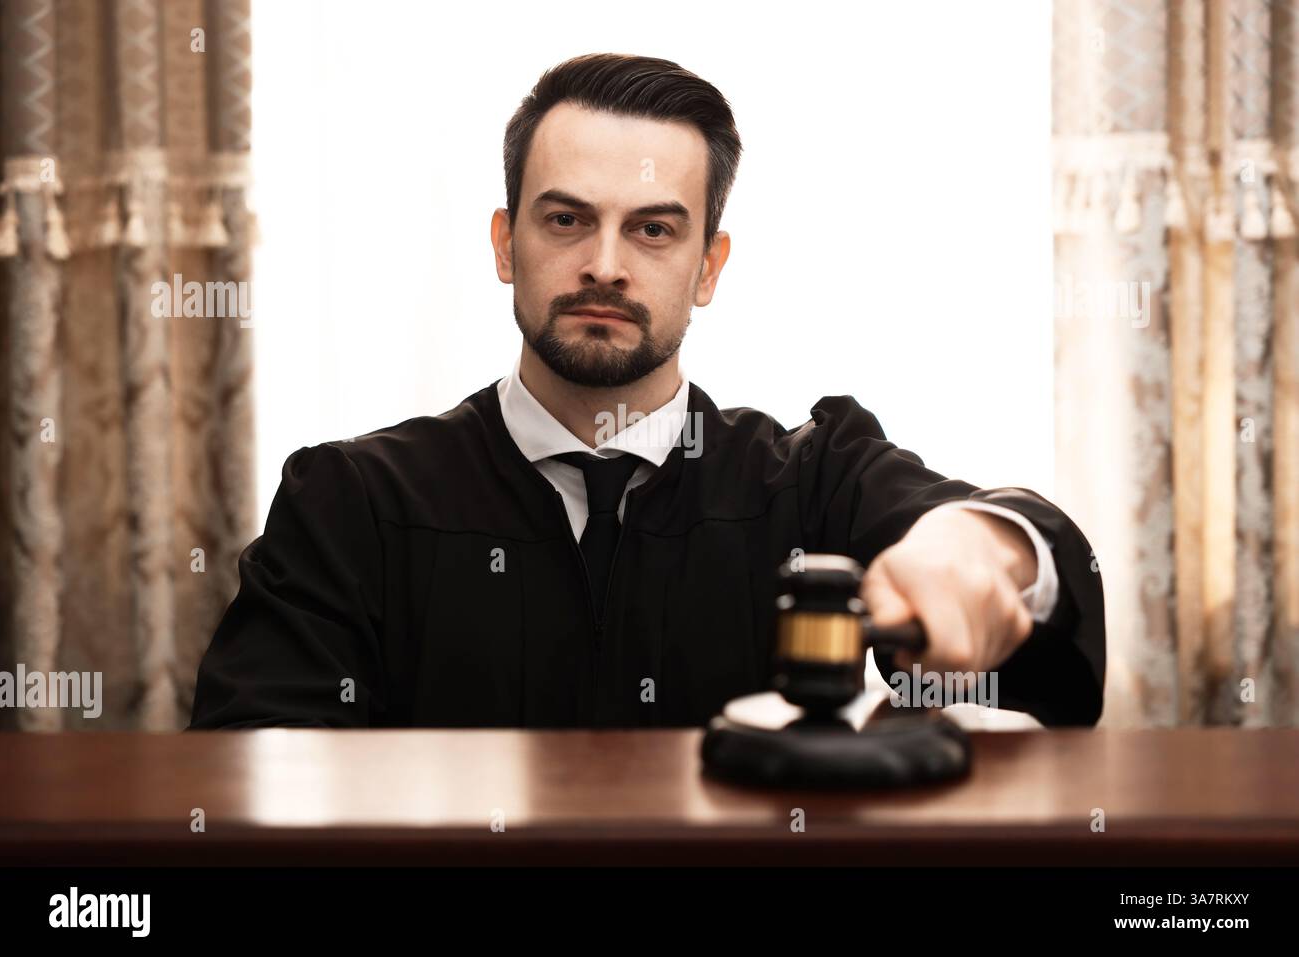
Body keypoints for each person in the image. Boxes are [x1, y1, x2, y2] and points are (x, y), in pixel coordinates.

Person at [189, 53, 1104, 731]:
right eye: (566, 219)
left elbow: (1039, 604)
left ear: (709, 267)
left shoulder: (810, 480)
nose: (605, 265)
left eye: (655, 230)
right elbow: (255, 770)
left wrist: (989, 545)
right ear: (506, 244)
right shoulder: (352, 503)